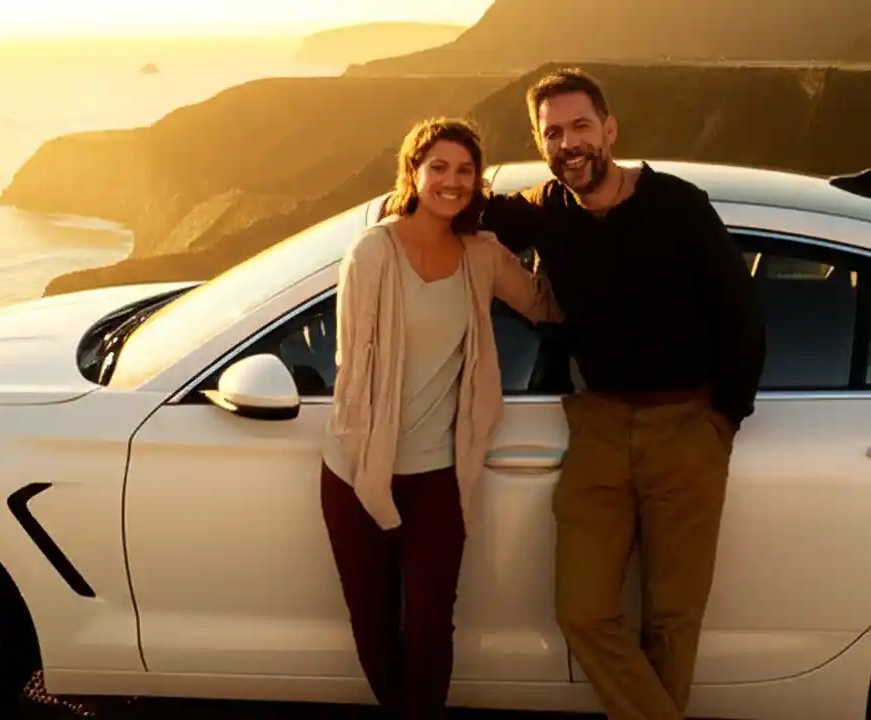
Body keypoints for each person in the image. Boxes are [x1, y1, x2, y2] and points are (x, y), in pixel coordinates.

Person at [481, 68, 766, 718]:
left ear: (609, 129)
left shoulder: (680, 206)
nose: (568, 142)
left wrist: (722, 420)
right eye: (551, 133)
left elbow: (742, 319)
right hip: (600, 427)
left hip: (688, 424)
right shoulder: (546, 209)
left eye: (581, 125)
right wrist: (408, 200)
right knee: (582, 612)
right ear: (540, 144)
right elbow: (469, 208)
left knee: (671, 619)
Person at [320, 116, 561, 720]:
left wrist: (559, 232)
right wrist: (364, 471)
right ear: (413, 172)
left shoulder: (481, 255)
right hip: (355, 470)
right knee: (374, 630)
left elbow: (543, 305)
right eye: (439, 168)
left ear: (476, 181)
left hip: (437, 477)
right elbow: (351, 371)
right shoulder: (373, 251)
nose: (451, 182)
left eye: (464, 170)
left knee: (429, 631)